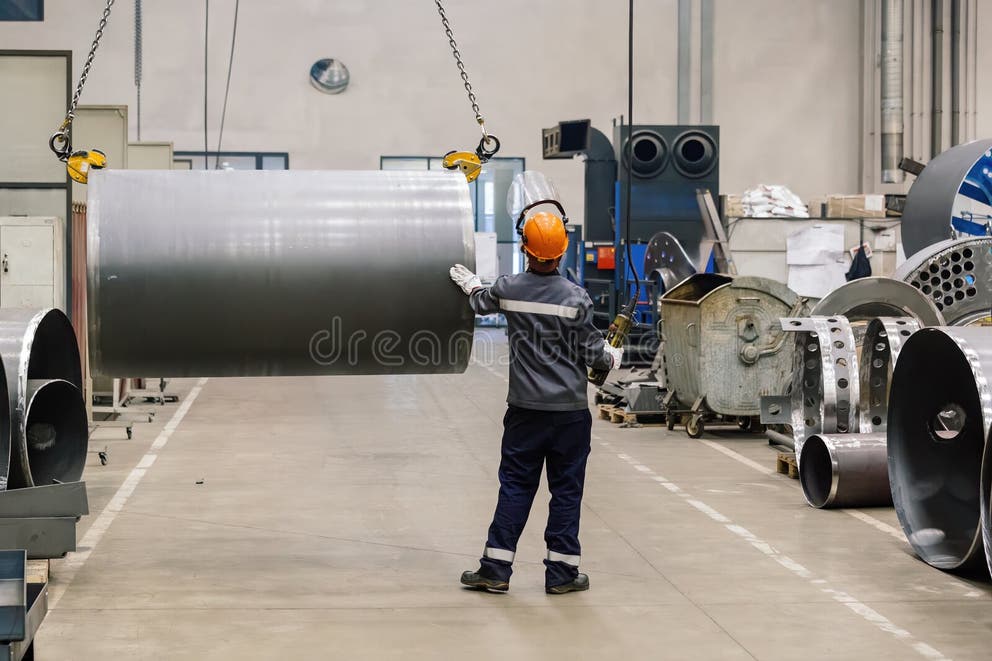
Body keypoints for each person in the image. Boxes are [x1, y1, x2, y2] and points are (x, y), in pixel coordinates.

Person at [448, 171, 623, 595]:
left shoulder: (509, 289)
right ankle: (562, 575)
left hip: (524, 412)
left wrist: (472, 283)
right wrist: (612, 356)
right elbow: (595, 355)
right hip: (569, 416)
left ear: (525, 249)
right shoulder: (576, 298)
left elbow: (479, 300)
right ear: (561, 252)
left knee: (516, 486)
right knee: (566, 492)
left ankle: (495, 569)